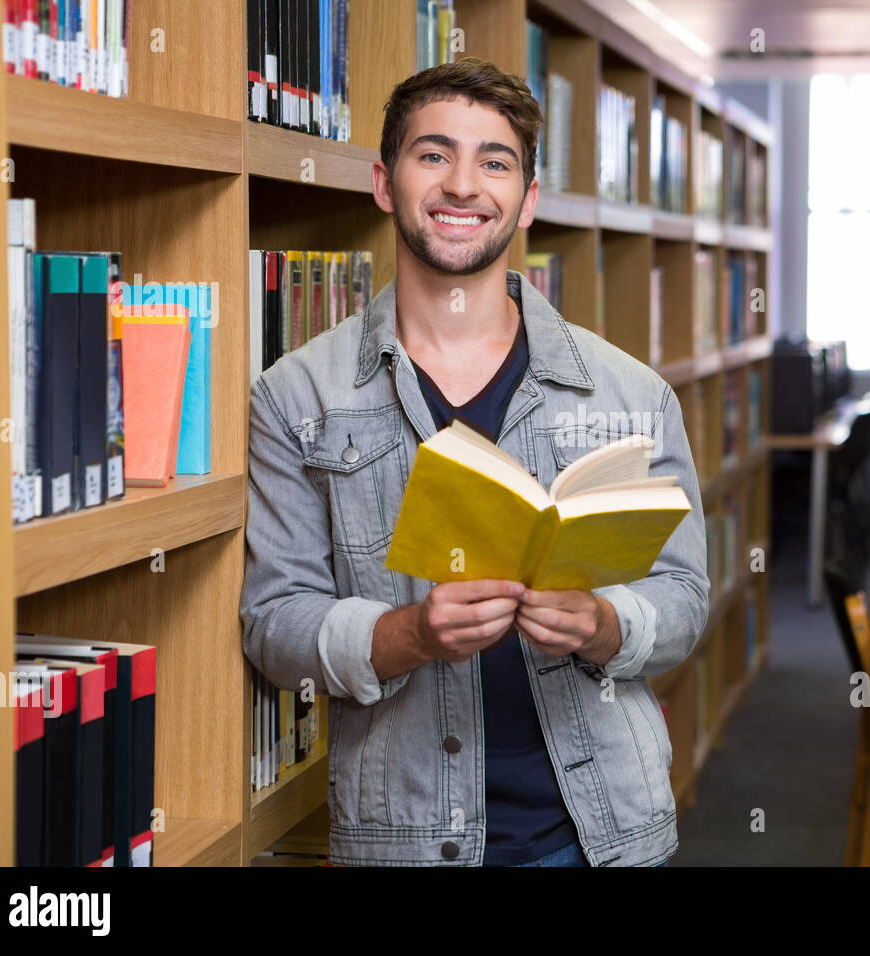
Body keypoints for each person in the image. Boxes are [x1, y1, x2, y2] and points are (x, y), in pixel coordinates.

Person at [240, 57, 709, 866]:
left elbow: (686, 597)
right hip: (405, 839)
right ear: (385, 182)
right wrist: (407, 634)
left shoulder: (630, 392)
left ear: (526, 200)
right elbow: (274, 622)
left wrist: (604, 623)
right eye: (434, 155)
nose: (463, 184)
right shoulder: (295, 396)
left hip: (601, 836)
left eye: (495, 162)